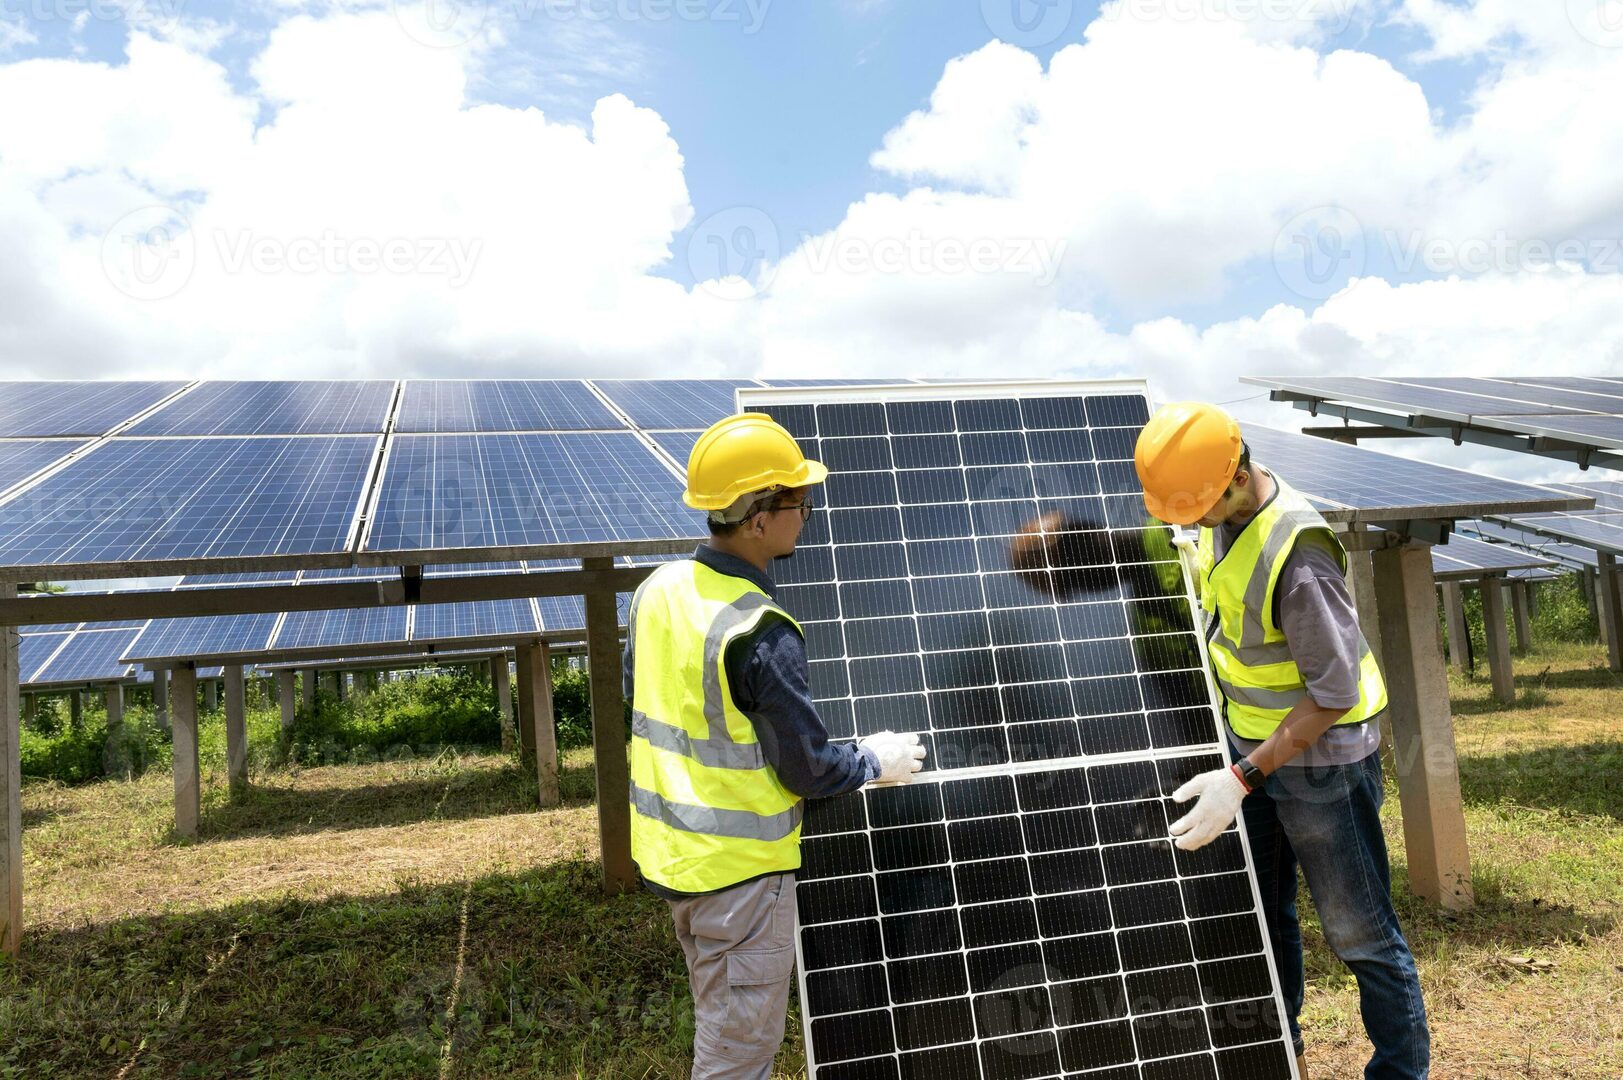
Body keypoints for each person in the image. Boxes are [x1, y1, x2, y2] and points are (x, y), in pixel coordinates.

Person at [624, 412, 926, 1080]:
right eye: (799, 504)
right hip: (738, 878)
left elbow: (645, 707)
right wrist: (875, 761)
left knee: (720, 1015)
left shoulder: (657, 589)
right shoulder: (759, 629)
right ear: (758, 518)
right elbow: (809, 770)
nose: (806, 516)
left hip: (673, 858)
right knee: (737, 1056)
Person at [1134, 402, 1430, 1080]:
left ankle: (1399, 1072)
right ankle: (1277, 1050)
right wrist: (1241, 765)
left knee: (1360, 935)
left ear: (1237, 478)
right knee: (1265, 913)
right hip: (1257, 756)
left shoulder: (1298, 557)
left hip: (1322, 768)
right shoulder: (1219, 516)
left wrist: (1239, 778)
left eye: (1199, 509)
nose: (1192, 523)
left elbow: (1332, 694)